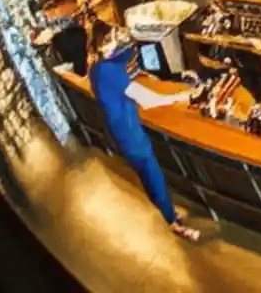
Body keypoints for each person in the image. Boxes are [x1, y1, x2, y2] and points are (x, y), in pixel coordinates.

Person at [64, 22, 200, 242]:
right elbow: (148, 100)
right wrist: (184, 96)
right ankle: (173, 222)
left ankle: (169, 211)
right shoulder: (107, 70)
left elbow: (132, 63)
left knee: (149, 173)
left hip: (122, 128)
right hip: (129, 134)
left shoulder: (99, 67)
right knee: (151, 174)